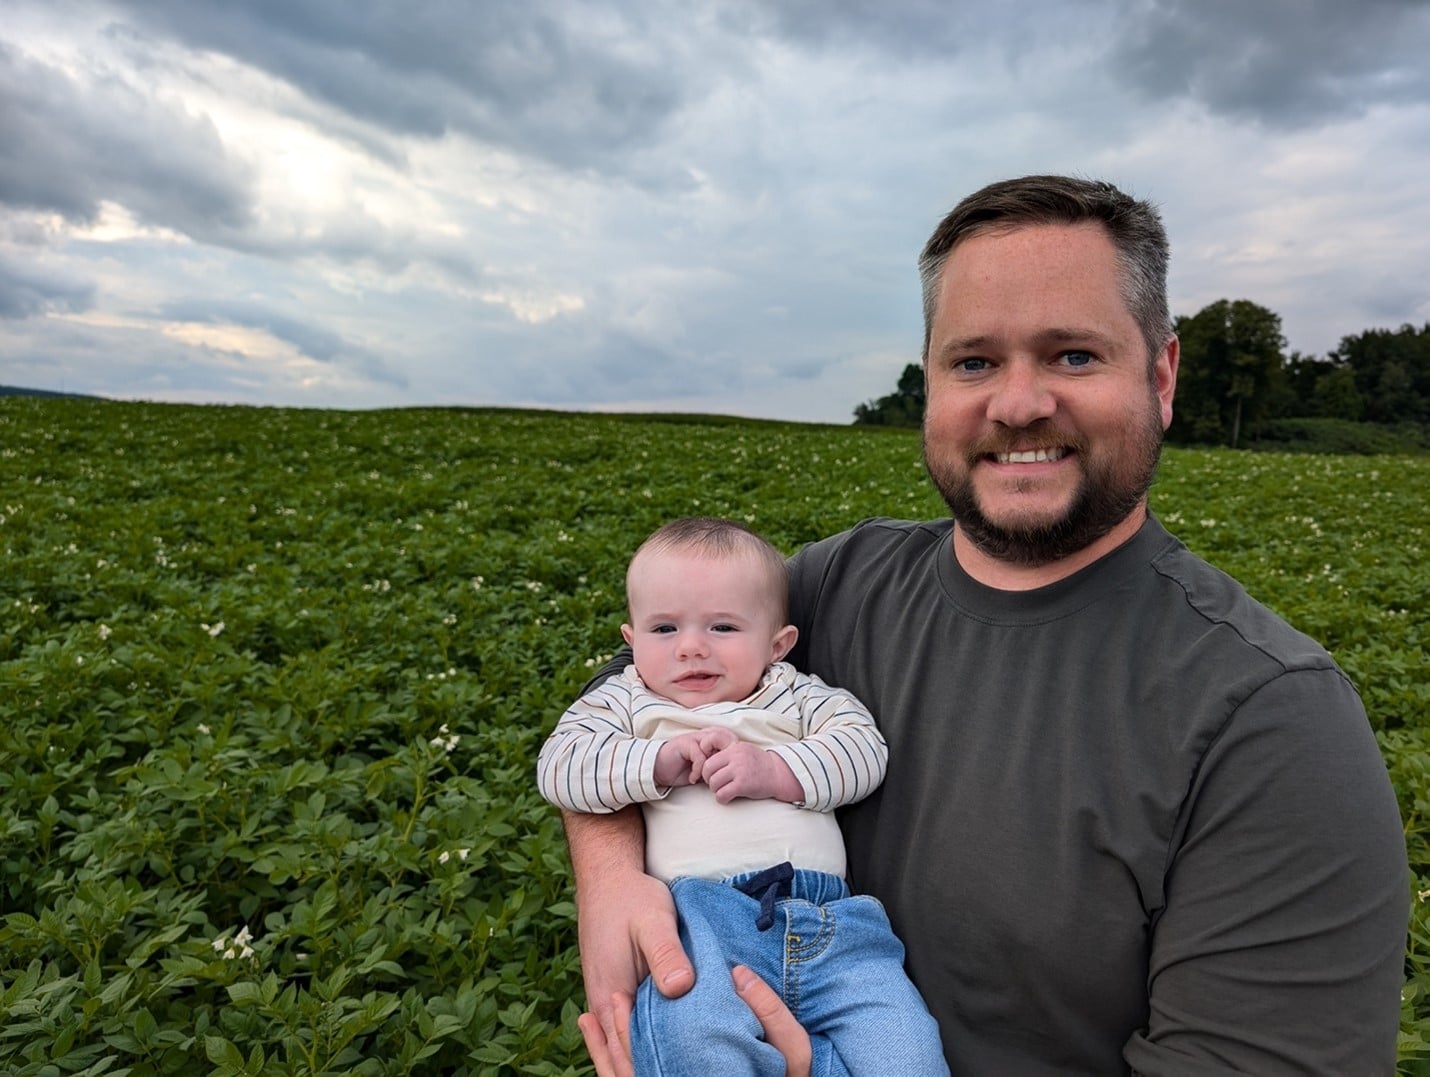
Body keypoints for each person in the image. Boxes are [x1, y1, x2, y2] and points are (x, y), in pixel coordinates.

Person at [565, 175, 1410, 1076]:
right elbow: (629, 686)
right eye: (973, 362)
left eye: (1073, 356)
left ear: (1161, 376)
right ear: (927, 380)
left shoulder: (1271, 720)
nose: (1017, 404)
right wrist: (610, 874)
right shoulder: (833, 584)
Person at [538, 516, 948, 1076]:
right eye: (663, 630)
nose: (690, 649)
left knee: (908, 1051)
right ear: (630, 640)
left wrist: (775, 770)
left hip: (835, 921)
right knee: (696, 1043)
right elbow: (560, 766)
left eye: (723, 628)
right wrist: (656, 762)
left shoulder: (799, 696)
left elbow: (863, 751)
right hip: (701, 920)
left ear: (777, 644)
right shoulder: (627, 702)